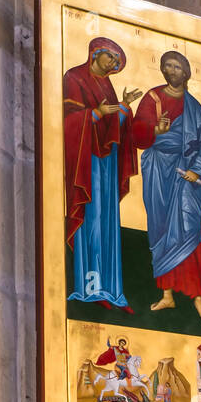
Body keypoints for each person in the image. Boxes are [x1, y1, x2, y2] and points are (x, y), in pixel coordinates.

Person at [133, 52, 201, 324]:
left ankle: (197, 299)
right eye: (167, 66)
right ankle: (167, 294)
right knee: (160, 230)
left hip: (186, 173)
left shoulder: (194, 107)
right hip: (158, 168)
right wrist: (155, 131)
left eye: (177, 66)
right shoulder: (153, 98)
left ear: (186, 72)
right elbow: (137, 133)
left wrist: (197, 170)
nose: (172, 70)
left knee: (190, 229)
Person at [62, 37, 141, 310]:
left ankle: (109, 289)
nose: (113, 65)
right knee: (92, 220)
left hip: (106, 164)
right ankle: (89, 287)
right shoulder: (74, 77)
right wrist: (95, 113)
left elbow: (110, 129)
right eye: (111, 59)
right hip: (87, 163)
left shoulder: (106, 83)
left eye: (117, 62)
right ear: (96, 53)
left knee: (107, 221)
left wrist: (122, 109)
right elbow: (69, 120)